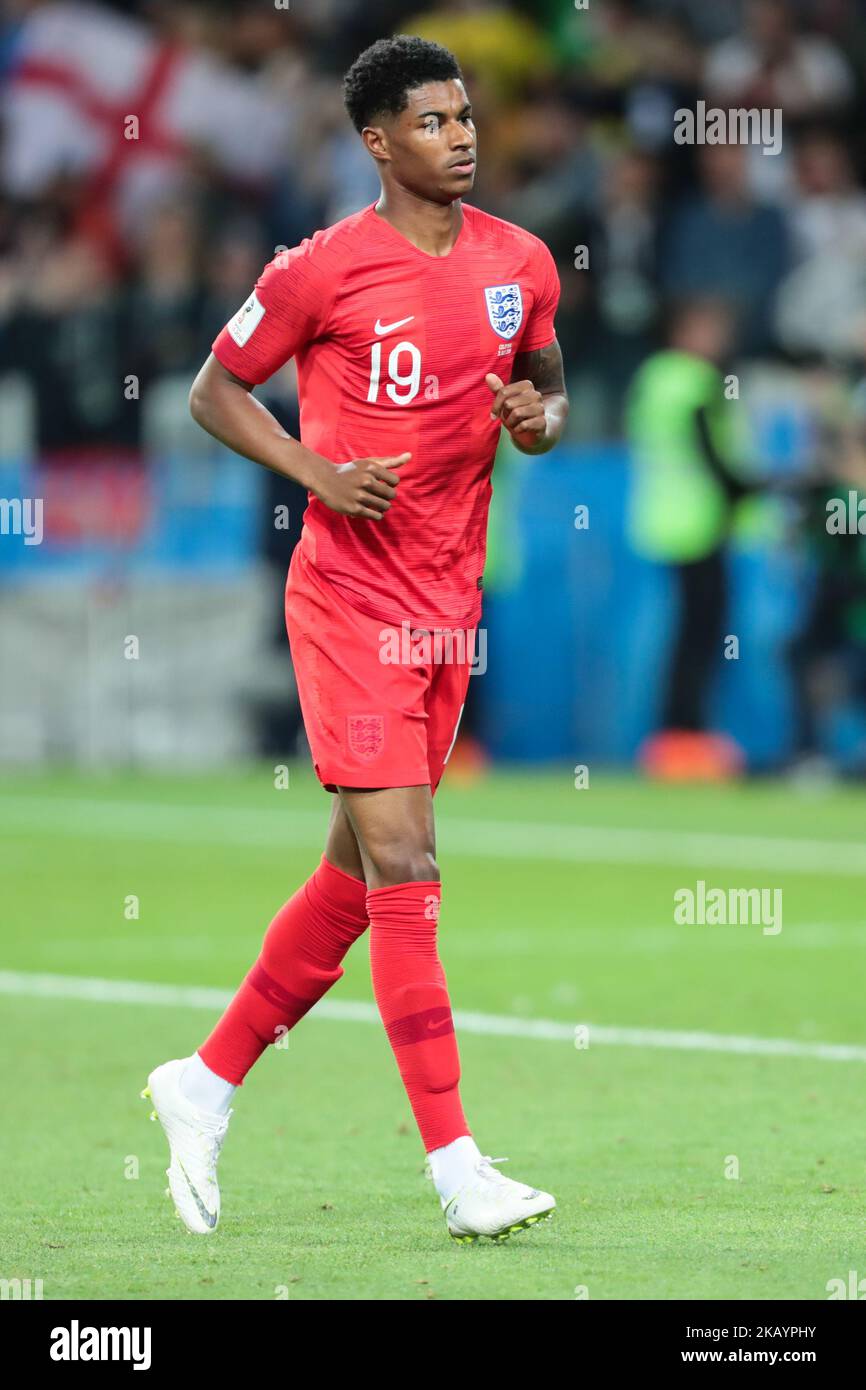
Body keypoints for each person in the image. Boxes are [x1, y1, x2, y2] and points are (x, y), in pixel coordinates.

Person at [143, 35, 568, 1244]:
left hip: (448, 607)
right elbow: (213, 390)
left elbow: (545, 393)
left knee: (348, 879)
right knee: (407, 864)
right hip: (347, 603)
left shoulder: (519, 263)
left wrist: (537, 418)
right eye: (431, 122)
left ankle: (204, 1081)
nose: (461, 136)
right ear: (376, 143)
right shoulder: (318, 269)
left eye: (465, 115)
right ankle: (455, 1167)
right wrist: (317, 473)